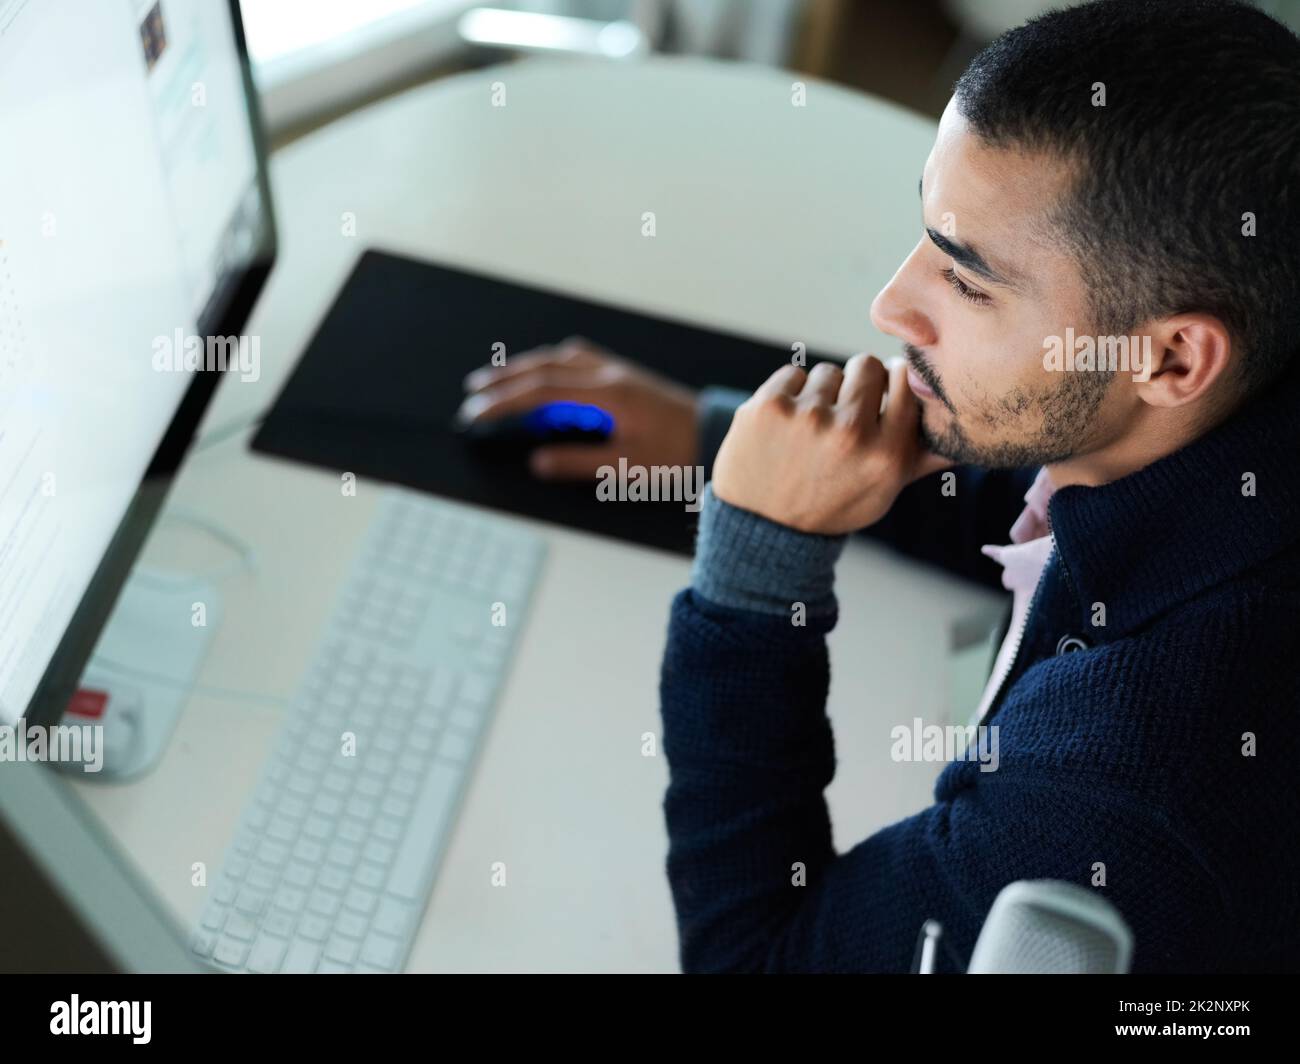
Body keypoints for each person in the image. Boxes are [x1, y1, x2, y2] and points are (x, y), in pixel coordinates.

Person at [458, 0, 1300, 972]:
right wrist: (717, 433)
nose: (891, 303)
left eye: (968, 281)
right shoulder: (1225, 388)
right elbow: (1055, 475)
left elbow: (755, 957)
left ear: (1171, 359)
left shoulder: (1121, 797)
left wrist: (756, 564)